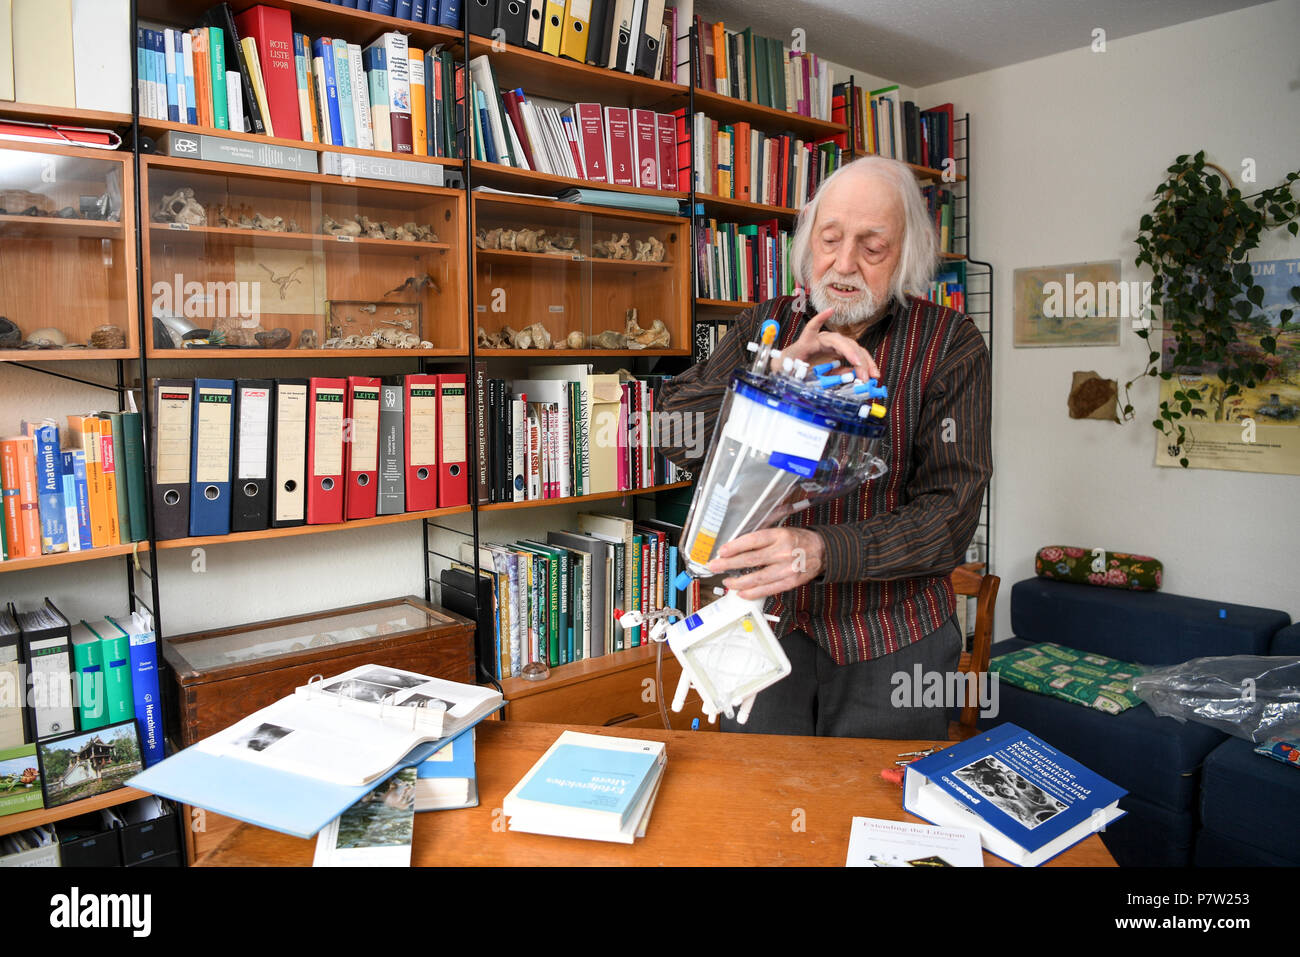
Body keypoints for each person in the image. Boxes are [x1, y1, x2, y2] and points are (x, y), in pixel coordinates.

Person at [656, 155, 992, 739]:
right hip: (759, 629)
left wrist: (818, 550)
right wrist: (776, 377)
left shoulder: (950, 342)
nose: (843, 264)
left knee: (878, 816)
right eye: (830, 238)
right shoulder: (766, 325)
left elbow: (950, 516)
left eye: (872, 247)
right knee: (754, 810)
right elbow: (671, 434)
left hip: (892, 642)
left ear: (907, 252)